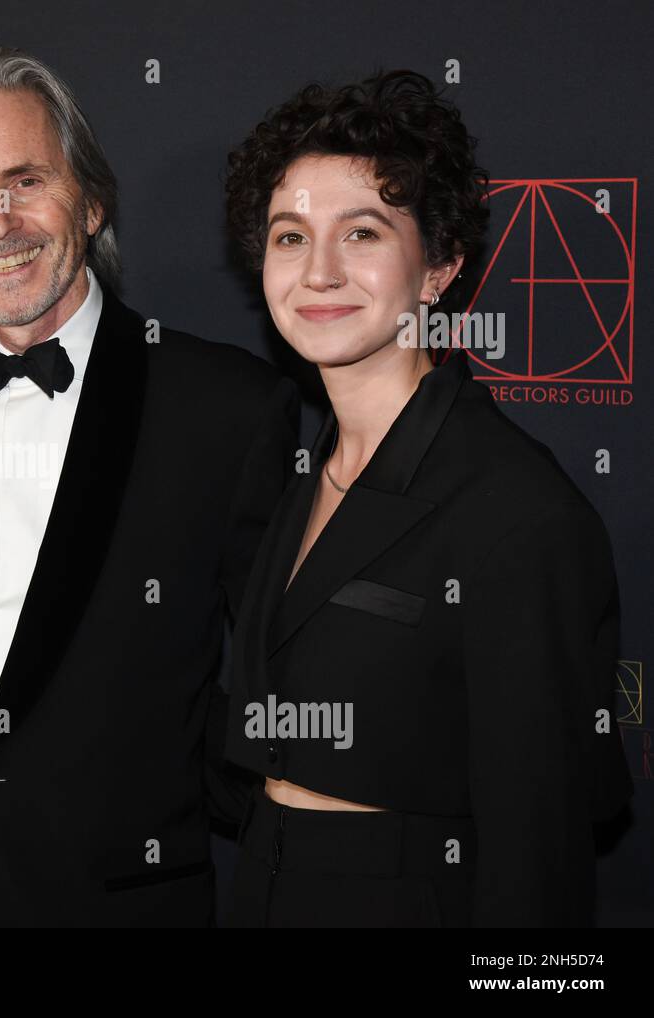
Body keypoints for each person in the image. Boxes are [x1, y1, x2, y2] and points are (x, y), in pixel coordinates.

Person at [0, 47, 298, 926]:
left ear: (91, 200)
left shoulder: (226, 408)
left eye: (27, 179)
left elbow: (282, 684)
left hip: (117, 903)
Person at [219, 70, 632, 926]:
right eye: (290, 237)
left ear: (439, 264)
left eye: (362, 232)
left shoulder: (514, 508)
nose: (319, 271)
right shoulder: (301, 469)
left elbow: (541, 854)